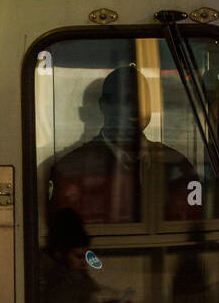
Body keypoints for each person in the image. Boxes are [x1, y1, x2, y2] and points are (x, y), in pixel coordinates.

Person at [48, 63, 201, 225]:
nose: (136, 110)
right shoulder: (70, 168)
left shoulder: (178, 165)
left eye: (142, 102)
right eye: (127, 101)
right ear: (103, 106)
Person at [39, 207, 131, 303]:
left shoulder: (79, 277)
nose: (84, 263)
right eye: (78, 256)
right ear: (58, 254)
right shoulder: (43, 281)